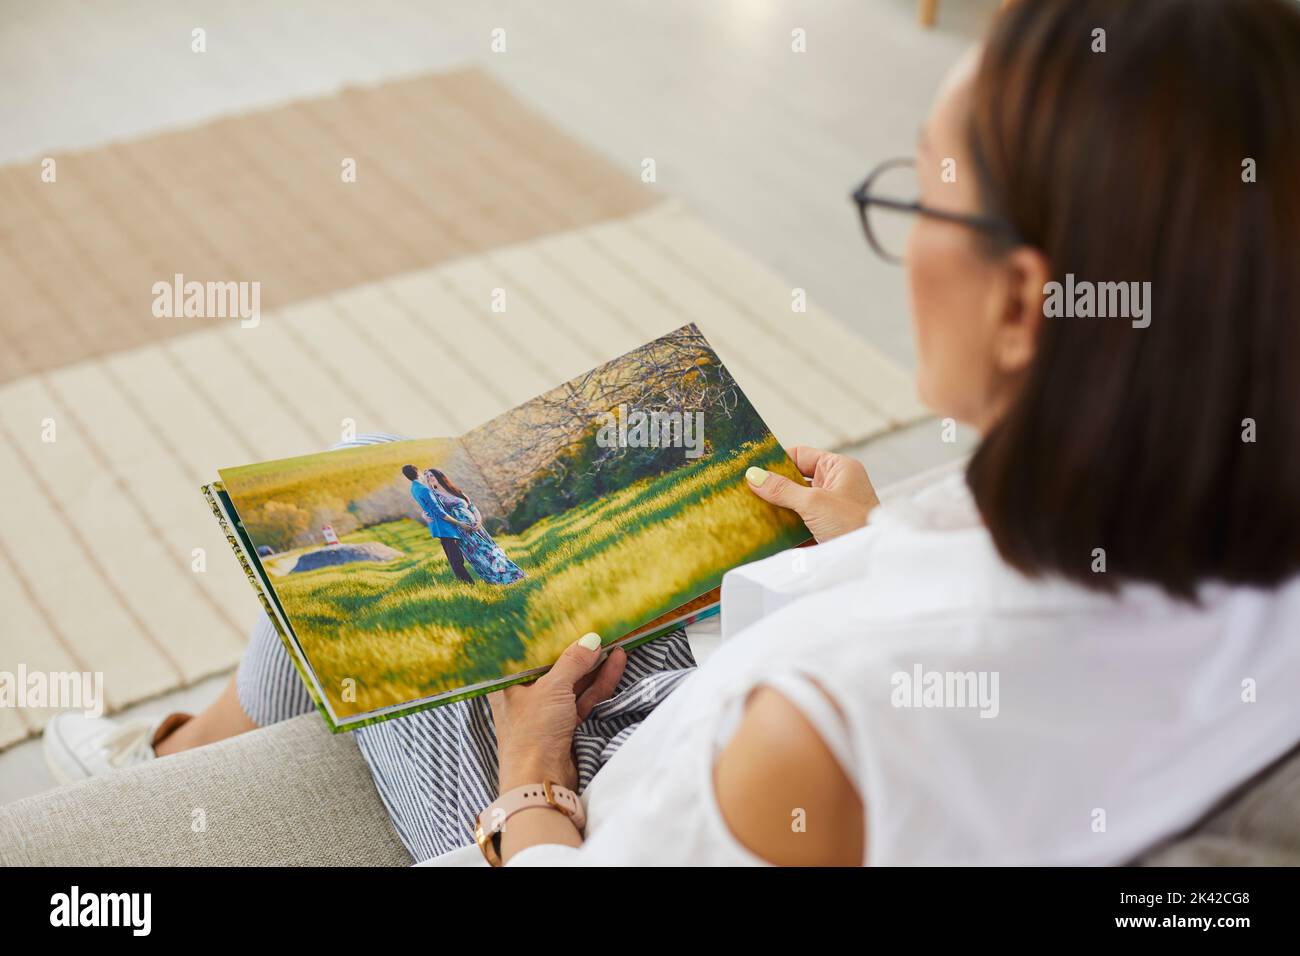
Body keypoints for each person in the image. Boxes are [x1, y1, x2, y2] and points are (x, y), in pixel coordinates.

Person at [43, 0, 1300, 866]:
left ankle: (145, 776)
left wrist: (530, 771)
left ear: (1025, 304)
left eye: (921, 191)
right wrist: (860, 538)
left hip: (576, 815)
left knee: (344, 577)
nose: (907, 232)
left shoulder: (831, 729)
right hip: (713, 721)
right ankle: (156, 754)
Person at [422, 468, 525, 585]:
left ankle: (515, 574)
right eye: (427, 477)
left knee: (493, 551)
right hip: (463, 531)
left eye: (432, 475)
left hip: (478, 528)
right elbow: (428, 509)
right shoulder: (434, 496)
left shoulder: (454, 491)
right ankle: (499, 581)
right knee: (481, 556)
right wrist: (424, 515)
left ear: (439, 476)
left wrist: (479, 521)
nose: (430, 478)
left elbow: (472, 507)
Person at [403, 463, 474, 585]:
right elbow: (438, 511)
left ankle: (466, 583)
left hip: (438, 528)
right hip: (444, 527)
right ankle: (468, 584)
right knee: (456, 560)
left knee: (453, 559)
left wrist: (424, 513)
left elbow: (427, 507)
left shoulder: (414, 488)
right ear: (418, 473)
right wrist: (459, 523)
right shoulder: (424, 489)